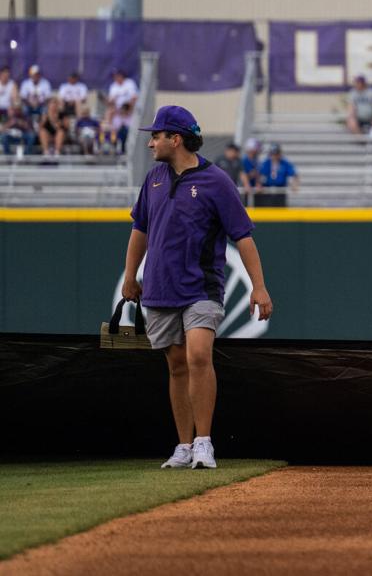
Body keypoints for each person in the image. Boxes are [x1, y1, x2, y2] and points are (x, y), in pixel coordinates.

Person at [120, 105, 272, 471]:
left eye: (156, 136)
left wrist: (259, 287)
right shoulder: (153, 179)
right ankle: (184, 445)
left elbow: (243, 236)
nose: (150, 142)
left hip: (202, 288)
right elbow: (139, 229)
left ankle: (205, 443)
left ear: (176, 139)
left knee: (199, 356)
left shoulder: (216, 181)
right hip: (159, 287)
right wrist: (130, 276)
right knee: (176, 366)